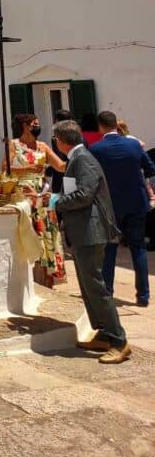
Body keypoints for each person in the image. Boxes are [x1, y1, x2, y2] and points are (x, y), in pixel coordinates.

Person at [51, 119, 130, 363]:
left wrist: (54, 202)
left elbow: (83, 195)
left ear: (61, 141)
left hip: (91, 231)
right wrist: (55, 198)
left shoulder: (82, 159)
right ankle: (104, 333)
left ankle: (119, 340)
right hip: (81, 231)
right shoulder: (76, 159)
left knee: (95, 285)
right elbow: (72, 191)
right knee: (87, 284)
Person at [90, 110, 155, 308]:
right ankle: (143, 296)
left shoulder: (95, 149)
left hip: (110, 205)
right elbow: (151, 169)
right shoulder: (134, 145)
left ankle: (108, 292)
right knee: (138, 248)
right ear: (115, 126)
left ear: (100, 127)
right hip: (136, 203)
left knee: (109, 249)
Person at [5, 113, 67, 284]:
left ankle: (47, 273)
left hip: (41, 193)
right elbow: (6, 168)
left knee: (47, 231)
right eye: (35, 123)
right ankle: (29, 273)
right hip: (23, 192)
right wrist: (31, 168)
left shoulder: (43, 146)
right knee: (29, 230)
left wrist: (76, 157)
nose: (38, 126)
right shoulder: (13, 145)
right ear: (25, 126)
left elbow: (60, 166)